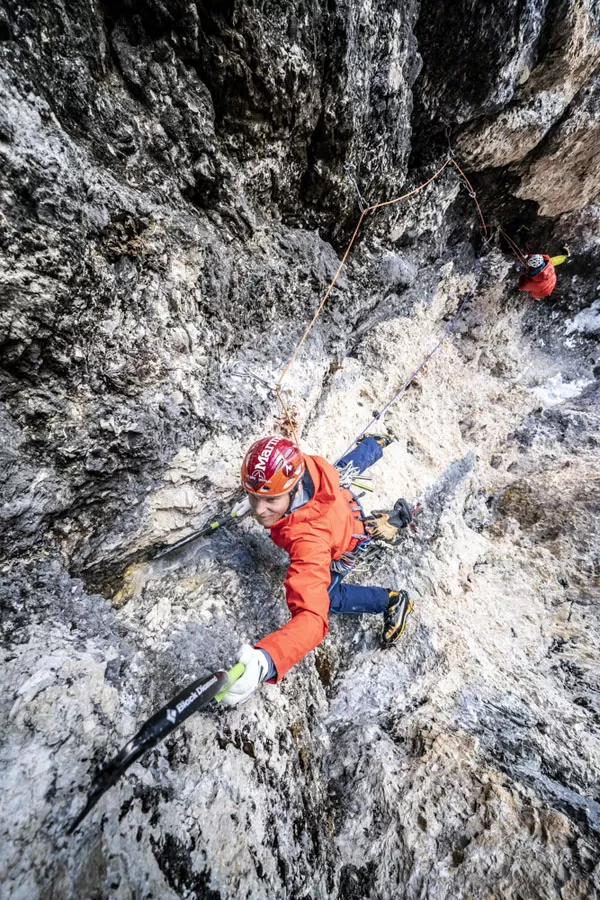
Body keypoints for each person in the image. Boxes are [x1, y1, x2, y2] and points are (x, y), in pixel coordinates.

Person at [221, 434, 414, 707]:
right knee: (339, 469)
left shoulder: (309, 543)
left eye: (270, 501)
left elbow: (313, 618)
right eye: (253, 498)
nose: (259, 511)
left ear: (293, 490)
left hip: (346, 539)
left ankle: (392, 600)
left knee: (329, 600)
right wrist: (261, 496)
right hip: (339, 495)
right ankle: (375, 444)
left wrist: (266, 660)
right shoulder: (309, 468)